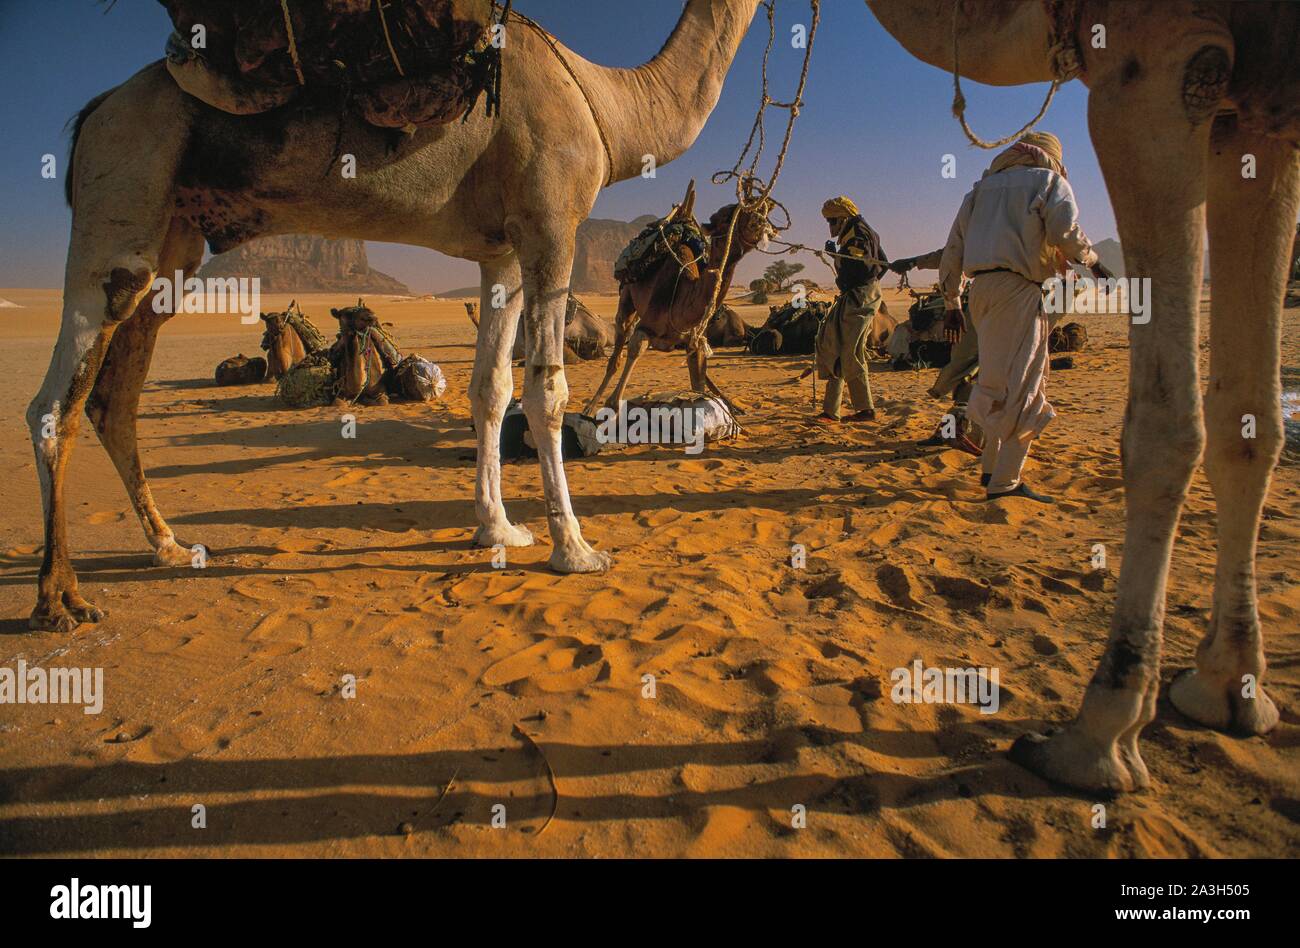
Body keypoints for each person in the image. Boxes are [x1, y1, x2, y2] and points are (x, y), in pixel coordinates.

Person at [938, 131, 1107, 502]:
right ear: (1051, 158)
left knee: (997, 384)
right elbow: (1065, 231)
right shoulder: (1049, 181)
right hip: (1019, 291)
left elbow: (953, 249)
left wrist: (952, 302)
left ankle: (989, 473)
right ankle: (1006, 483)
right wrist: (1093, 261)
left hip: (980, 294)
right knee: (1028, 388)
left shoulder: (979, 191)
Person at [891, 249, 981, 455]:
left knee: (974, 369)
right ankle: (952, 429)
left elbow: (952, 254)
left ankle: (958, 430)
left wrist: (914, 261)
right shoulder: (982, 220)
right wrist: (914, 261)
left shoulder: (985, 220)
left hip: (1011, 297)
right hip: (990, 296)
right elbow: (953, 252)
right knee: (964, 368)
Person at [814, 196, 889, 424]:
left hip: (859, 297)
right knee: (837, 345)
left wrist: (837, 258)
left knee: (850, 351)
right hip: (859, 295)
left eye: (832, 221)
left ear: (842, 217)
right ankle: (830, 410)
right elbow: (883, 263)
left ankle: (865, 409)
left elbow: (860, 268)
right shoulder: (864, 231)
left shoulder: (857, 235)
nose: (830, 226)